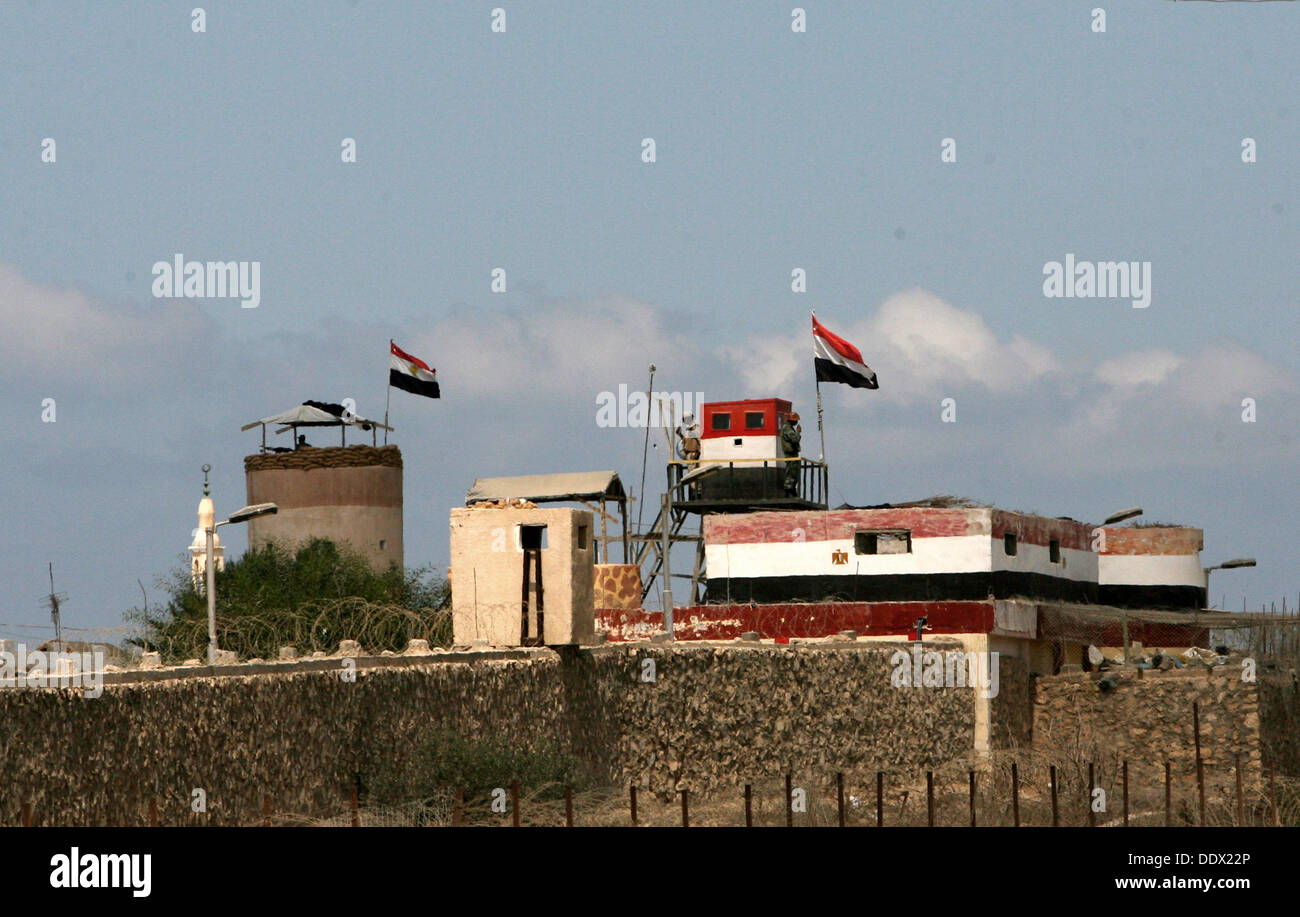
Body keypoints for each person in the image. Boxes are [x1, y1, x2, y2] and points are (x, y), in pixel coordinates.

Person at [780, 411, 802, 495]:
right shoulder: (787, 429)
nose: (797, 422)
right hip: (790, 454)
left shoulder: (789, 428)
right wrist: (798, 432)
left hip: (792, 454)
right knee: (791, 472)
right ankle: (788, 489)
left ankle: (791, 489)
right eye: (795, 420)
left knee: (794, 472)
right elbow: (795, 439)